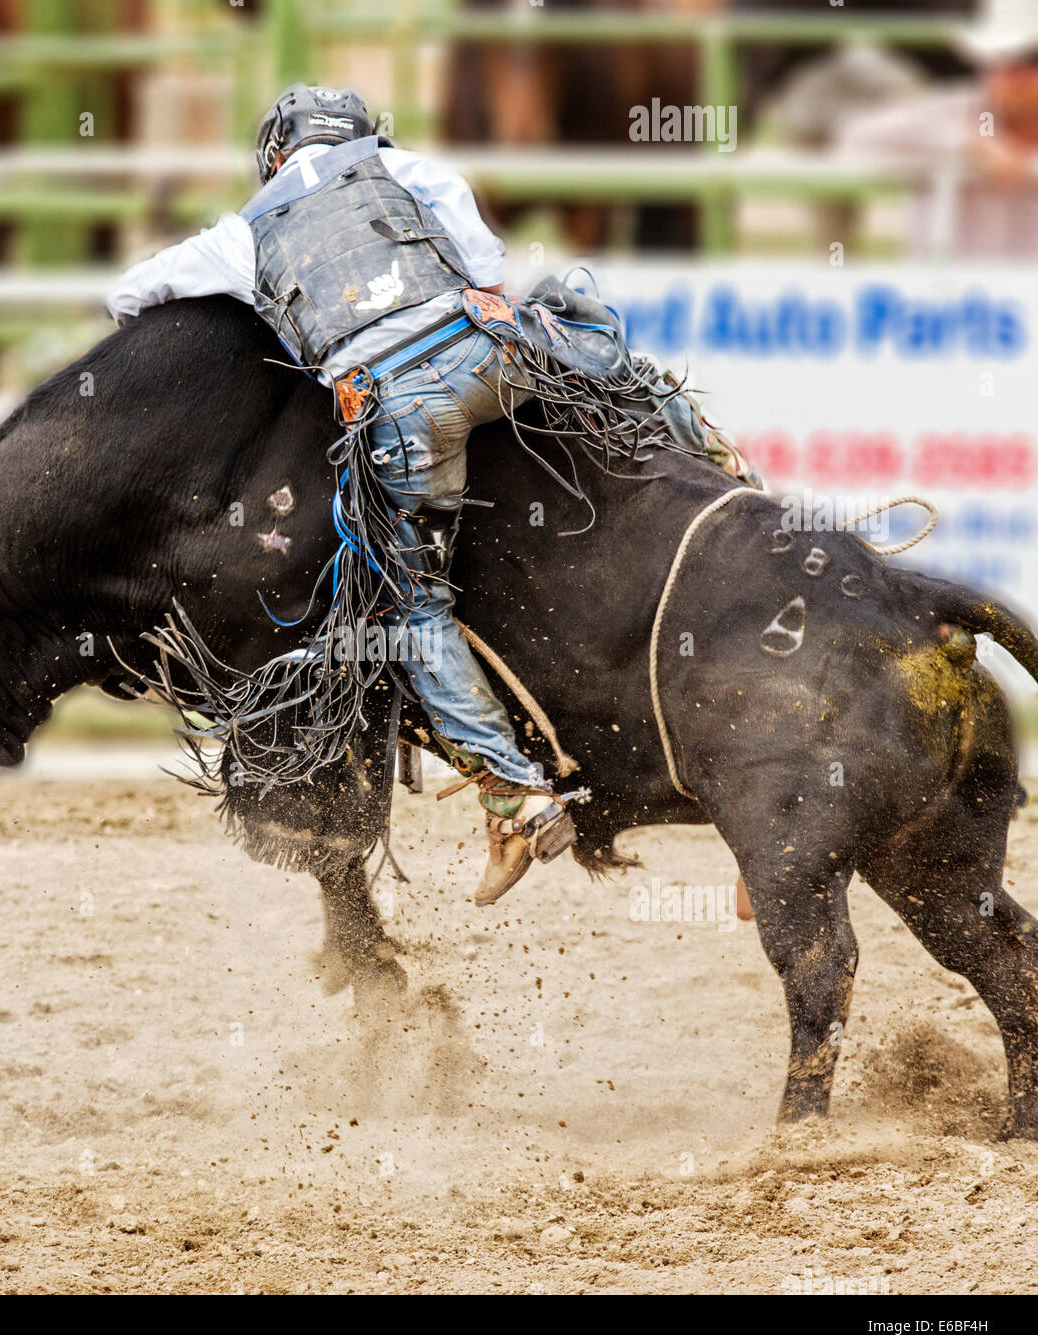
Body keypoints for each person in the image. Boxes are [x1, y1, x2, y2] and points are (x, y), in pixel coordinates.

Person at [108, 84, 735, 903]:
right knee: (615, 360)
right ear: (362, 136)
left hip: (403, 407)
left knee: (415, 606)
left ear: (273, 154)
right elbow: (485, 268)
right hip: (495, 353)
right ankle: (727, 479)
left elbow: (129, 295)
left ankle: (517, 797)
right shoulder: (411, 169)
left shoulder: (242, 232)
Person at [838, 0, 1038, 258]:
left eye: (1026, 62)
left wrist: (1023, 166)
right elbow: (855, 137)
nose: (1007, 75)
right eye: (1001, 60)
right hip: (951, 294)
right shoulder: (951, 114)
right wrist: (967, 142)